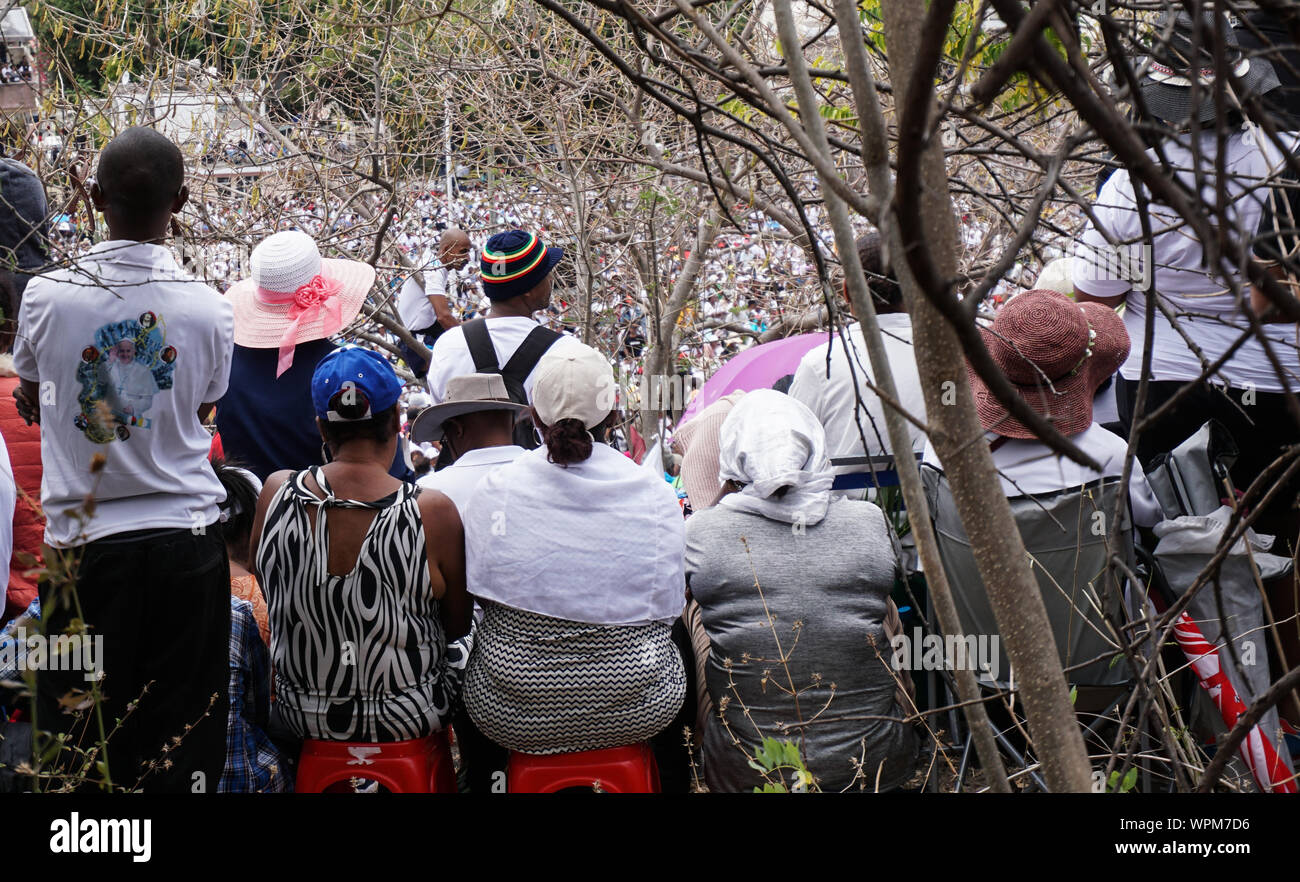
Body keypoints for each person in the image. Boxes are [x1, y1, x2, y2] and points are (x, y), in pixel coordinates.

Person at [11, 126, 232, 792]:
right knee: (181, 743)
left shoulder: (45, 297)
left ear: (94, 195)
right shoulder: (210, 310)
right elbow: (200, 412)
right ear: (182, 200)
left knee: (75, 746)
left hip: (79, 558)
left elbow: (29, 390)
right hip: (186, 552)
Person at [1073, 10, 1297, 529]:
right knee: (1272, 534)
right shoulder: (1288, 164)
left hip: (1163, 380)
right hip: (1276, 380)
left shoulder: (1133, 188)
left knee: (1171, 533)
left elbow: (1097, 300)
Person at [460, 343, 688, 774]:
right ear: (614, 412)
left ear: (534, 414)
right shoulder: (654, 494)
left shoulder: (496, 488)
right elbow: (668, 611)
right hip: (638, 706)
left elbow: (481, 600)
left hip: (512, 710)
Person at [684, 389, 917, 792]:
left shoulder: (700, 533)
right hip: (876, 767)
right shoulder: (870, 521)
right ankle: (911, 725)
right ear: (815, 448)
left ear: (734, 456)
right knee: (884, 608)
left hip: (749, 773)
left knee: (694, 611)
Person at [249, 346, 472, 743]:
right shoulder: (430, 511)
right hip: (407, 714)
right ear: (396, 420)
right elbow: (455, 624)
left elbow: (271, 587)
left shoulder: (274, 492)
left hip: (299, 714)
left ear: (321, 427)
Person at [922, 289, 1161, 528]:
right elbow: (1149, 519)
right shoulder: (1108, 456)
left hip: (975, 565)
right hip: (1091, 565)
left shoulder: (945, 447)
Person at [217, 230, 412, 482]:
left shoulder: (224, 363)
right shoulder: (345, 376)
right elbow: (387, 475)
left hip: (251, 513)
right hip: (324, 515)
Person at [789, 231, 926, 491]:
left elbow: (792, 456)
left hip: (844, 523)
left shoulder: (821, 365)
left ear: (847, 293)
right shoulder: (952, 361)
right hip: (940, 521)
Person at [425, 229, 580, 408]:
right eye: (546, 273)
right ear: (529, 288)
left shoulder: (447, 346)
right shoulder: (565, 352)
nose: (551, 278)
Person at [211, 461, 289, 793]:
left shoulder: (164, 589)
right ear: (253, 528)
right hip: (246, 771)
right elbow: (264, 706)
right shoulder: (265, 597)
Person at [412, 373, 527, 516]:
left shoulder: (426, 494)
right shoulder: (552, 473)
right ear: (512, 424)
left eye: (445, 439)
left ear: (456, 429)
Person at [396, 228, 472, 375]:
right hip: (416, 339)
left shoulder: (434, 263)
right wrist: (468, 342)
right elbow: (443, 316)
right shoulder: (433, 270)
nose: (468, 258)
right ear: (446, 250)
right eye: (463, 251)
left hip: (428, 329)